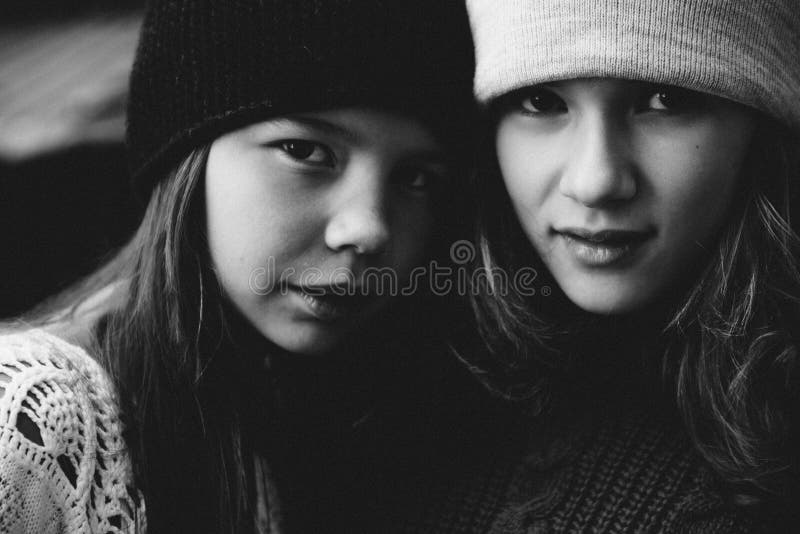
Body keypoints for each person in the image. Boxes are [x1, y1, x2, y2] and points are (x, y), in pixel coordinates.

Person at [0, 1, 479, 532]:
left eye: (415, 178)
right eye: (305, 150)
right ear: (187, 158)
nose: (371, 230)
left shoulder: (290, 420)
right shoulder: (29, 425)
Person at [458, 0, 800, 532]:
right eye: (541, 99)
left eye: (665, 99)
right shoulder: (402, 395)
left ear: (761, 129)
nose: (596, 180)